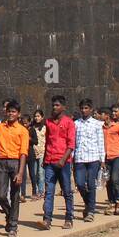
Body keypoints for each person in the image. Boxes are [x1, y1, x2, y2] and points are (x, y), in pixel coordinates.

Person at [0, 99, 29, 237]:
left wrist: (20, 173)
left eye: (13, 112)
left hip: (16, 163)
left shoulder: (23, 130)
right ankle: (10, 215)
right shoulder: (0, 128)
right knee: (1, 194)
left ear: (18, 114)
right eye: (9, 111)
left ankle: (13, 226)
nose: (10, 114)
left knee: (14, 195)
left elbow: (23, 153)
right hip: (2, 163)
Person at [40, 95, 76, 229]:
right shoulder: (48, 122)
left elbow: (71, 144)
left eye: (57, 105)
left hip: (63, 162)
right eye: (53, 105)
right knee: (49, 191)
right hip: (50, 161)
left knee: (66, 190)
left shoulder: (69, 122)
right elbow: (48, 142)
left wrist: (63, 159)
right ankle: (47, 219)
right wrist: (45, 158)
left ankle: (69, 218)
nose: (54, 107)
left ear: (63, 107)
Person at [73, 99, 105, 222]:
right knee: (80, 184)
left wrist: (102, 159)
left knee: (91, 184)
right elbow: (74, 142)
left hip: (93, 157)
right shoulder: (76, 124)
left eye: (86, 108)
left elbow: (100, 142)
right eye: (82, 108)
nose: (84, 110)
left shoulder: (97, 124)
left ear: (91, 109)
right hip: (80, 158)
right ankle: (88, 203)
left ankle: (90, 210)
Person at [26, 108, 47, 200]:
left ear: (42, 117)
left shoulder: (45, 128)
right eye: (35, 116)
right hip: (33, 153)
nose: (36, 118)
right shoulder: (32, 128)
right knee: (34, 173)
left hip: (42, 152)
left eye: (38, 116)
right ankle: (37, 190)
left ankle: (41, 192)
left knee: (41, 172)